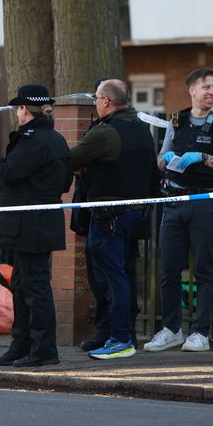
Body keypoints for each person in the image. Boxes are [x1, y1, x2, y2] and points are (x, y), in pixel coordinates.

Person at [144, 67, 213, 353]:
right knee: (169, 269)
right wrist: (168, 160)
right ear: (192, 90)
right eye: (206, 87)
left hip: (206, 203)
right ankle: (171, 329)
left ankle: (201, 333)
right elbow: (161, 159)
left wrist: (202, 157)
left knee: (204, 271)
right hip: (174, 202)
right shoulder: (178, 120)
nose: (212, 92)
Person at [70, 79, 160, 360]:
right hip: (133, 215)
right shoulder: (142, 130)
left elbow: (70, 159)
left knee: (111, 278)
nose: (95, 103)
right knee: (121, 275)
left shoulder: (106, 132)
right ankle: (113, 333)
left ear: (106, 101)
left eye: (97, 99)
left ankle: (120, 339)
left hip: (109, 217)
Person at [0, 84, 72, 368]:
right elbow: (65, 182)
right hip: (38, 222)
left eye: (18, 108)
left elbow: (9, 172)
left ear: (24, 109)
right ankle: (22, 344)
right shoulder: (56, 139)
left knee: (34, 286)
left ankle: (43, 349)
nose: (17, 112)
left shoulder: (33, 140)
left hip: (29, 223)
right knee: (22, 284)